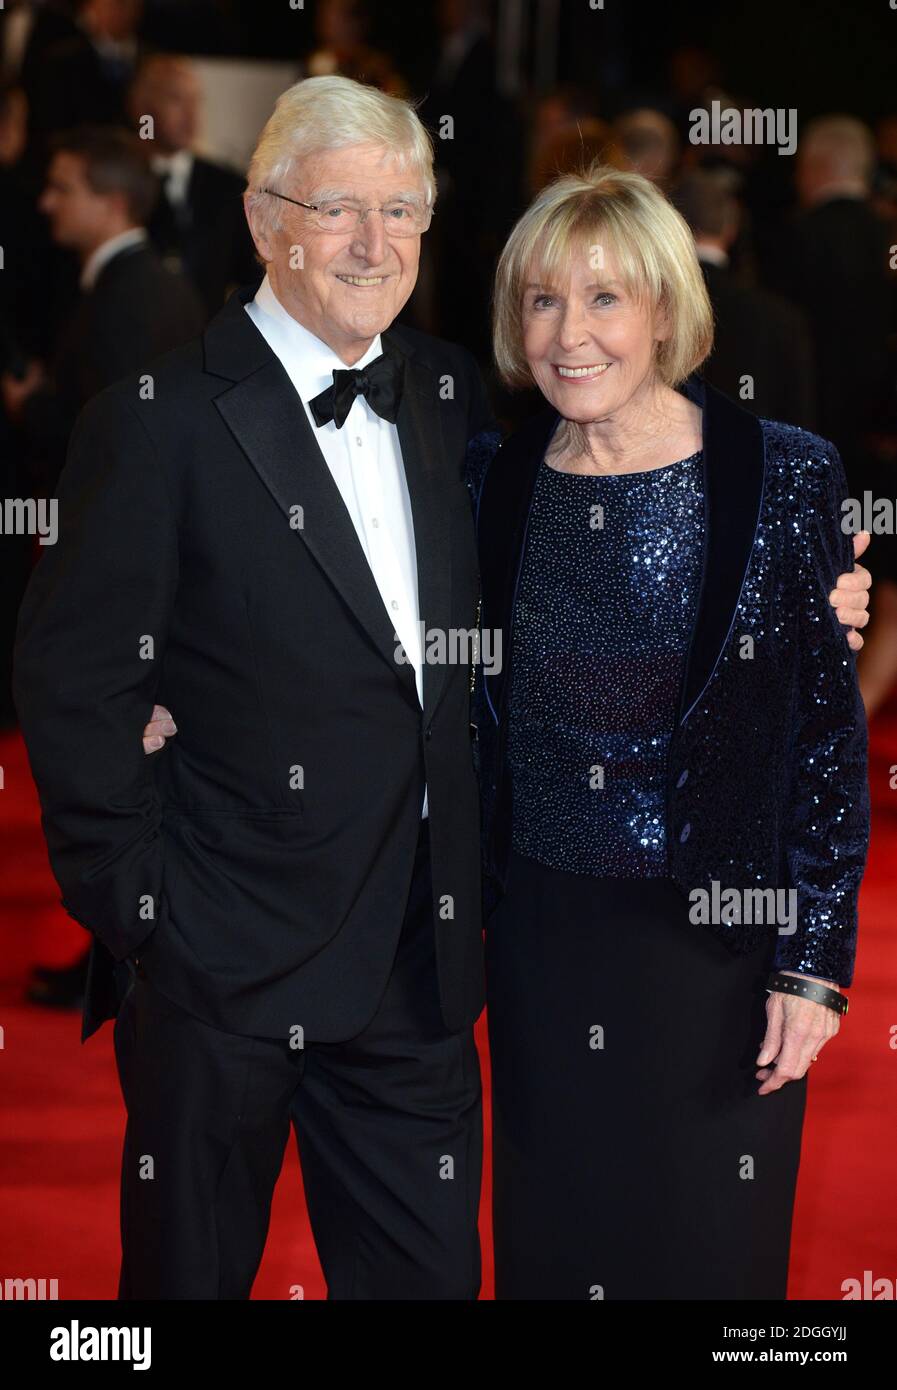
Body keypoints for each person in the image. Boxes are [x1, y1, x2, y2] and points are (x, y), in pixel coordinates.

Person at [14, 75, 490, 1300]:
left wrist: (806, 583)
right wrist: (151, 916)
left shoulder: (447, 395)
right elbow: (73, 685)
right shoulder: (160, 420)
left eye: (402, 209)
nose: (376, 243)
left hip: (416, 969)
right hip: (222, 966)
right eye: (339, 210)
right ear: (267, 220)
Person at [470, 163, 871, 1299]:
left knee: (705, 1261)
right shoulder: (493, 481)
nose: (570, 333)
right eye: (542, 300)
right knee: (555, 1251)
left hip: (717, 951)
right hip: (545, 940)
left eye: (603, 299)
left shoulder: (781, 474)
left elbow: (827, 747)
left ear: (663, 308)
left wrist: (814, 963)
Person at [128, 53, 260, 319]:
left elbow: (250, 277)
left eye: (195, 101)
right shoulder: (122, 180)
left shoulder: (228, 186)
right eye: (176, 100)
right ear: (144, 107)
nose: (190, 114)